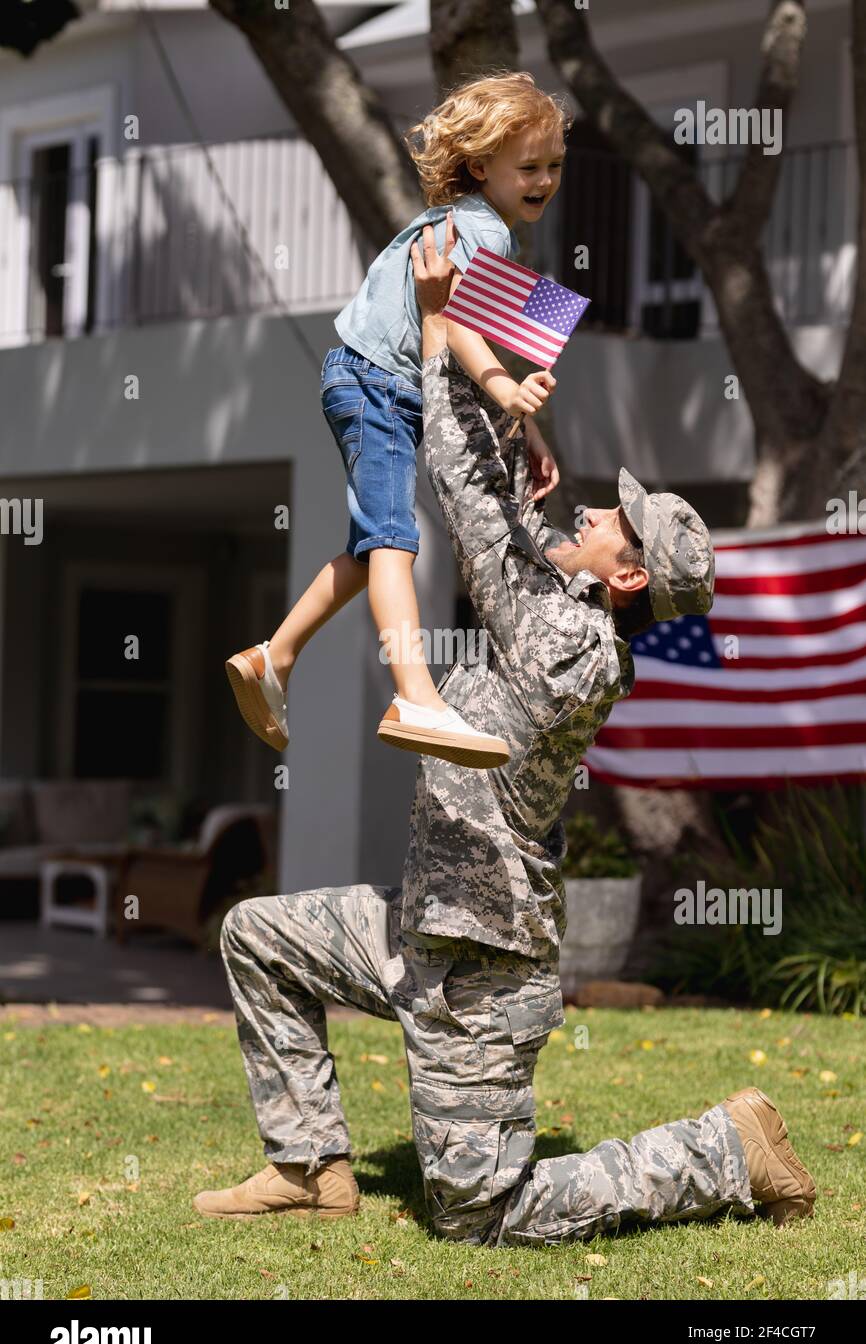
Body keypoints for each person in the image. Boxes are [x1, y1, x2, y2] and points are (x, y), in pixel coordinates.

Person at [194, 215, 816, 1244]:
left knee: (482, 1211)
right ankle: (307, 1165)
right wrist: (515, 420)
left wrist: (440, 334)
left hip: (477, 970)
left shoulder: (566, 644)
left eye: (610, 522)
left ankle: (722, 1149)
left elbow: (469, 506)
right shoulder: (568, 614)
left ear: (624, 576)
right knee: (257, 937)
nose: (589, 513)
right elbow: (521, 524)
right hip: (422, 925)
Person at [224, 71, 571, 770]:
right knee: (393, 539)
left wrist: (525, 431)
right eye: (528, 167)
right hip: (376, 383)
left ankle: (274, 655)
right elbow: (466, 332)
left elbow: (483, 336)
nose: (544, 181)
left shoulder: (476, 228)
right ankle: (414, 691)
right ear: (481, 167)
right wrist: (506, 394)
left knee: (367, 549)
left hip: (365, 379)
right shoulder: (481, 232)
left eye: (555, 166)